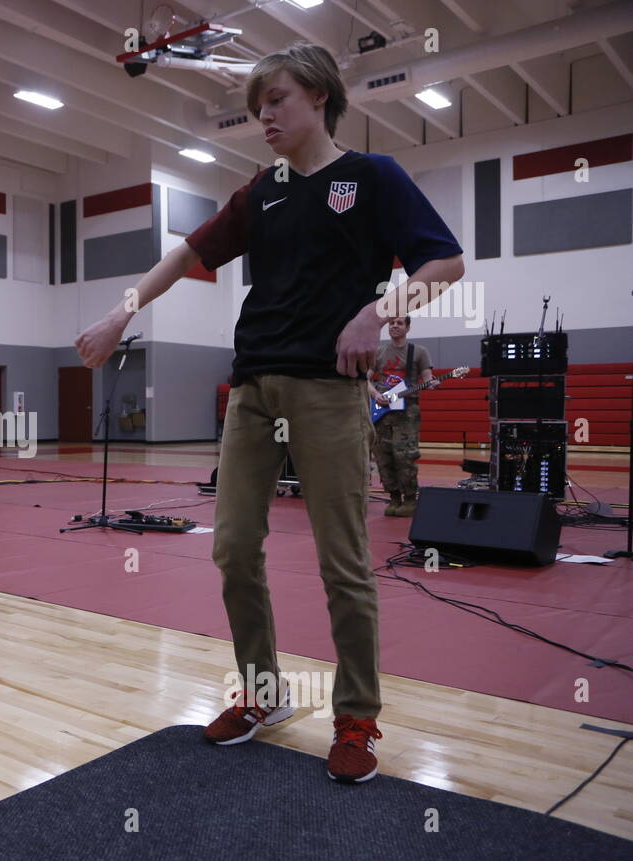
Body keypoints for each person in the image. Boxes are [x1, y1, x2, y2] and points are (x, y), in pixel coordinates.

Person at [75, 43, 463, 783]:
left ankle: (356, 718)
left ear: (318, 95)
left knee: (342, 561)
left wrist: (379, 312)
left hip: (326, 389)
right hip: (253, 392)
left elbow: (445, 262)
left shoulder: (372, 176)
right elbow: (185, 254)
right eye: (258, 109)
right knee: (230, 549)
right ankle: (263, 695)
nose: (264, 118)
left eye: (276, 101)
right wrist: (119, 315)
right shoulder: (263, 189)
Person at [369, 316, 434, 517]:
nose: (395, 326)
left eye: (399, 323)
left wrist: (430, 383)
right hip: (381, 410)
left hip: (407, 412)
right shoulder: (378, 352)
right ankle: (394, 497)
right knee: (383, 455)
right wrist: (375, 395)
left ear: (408, 327)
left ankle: (410, 498)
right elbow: (365, 379)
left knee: (404, 455)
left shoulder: (419, 351)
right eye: (392, 323)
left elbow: (427, 377)